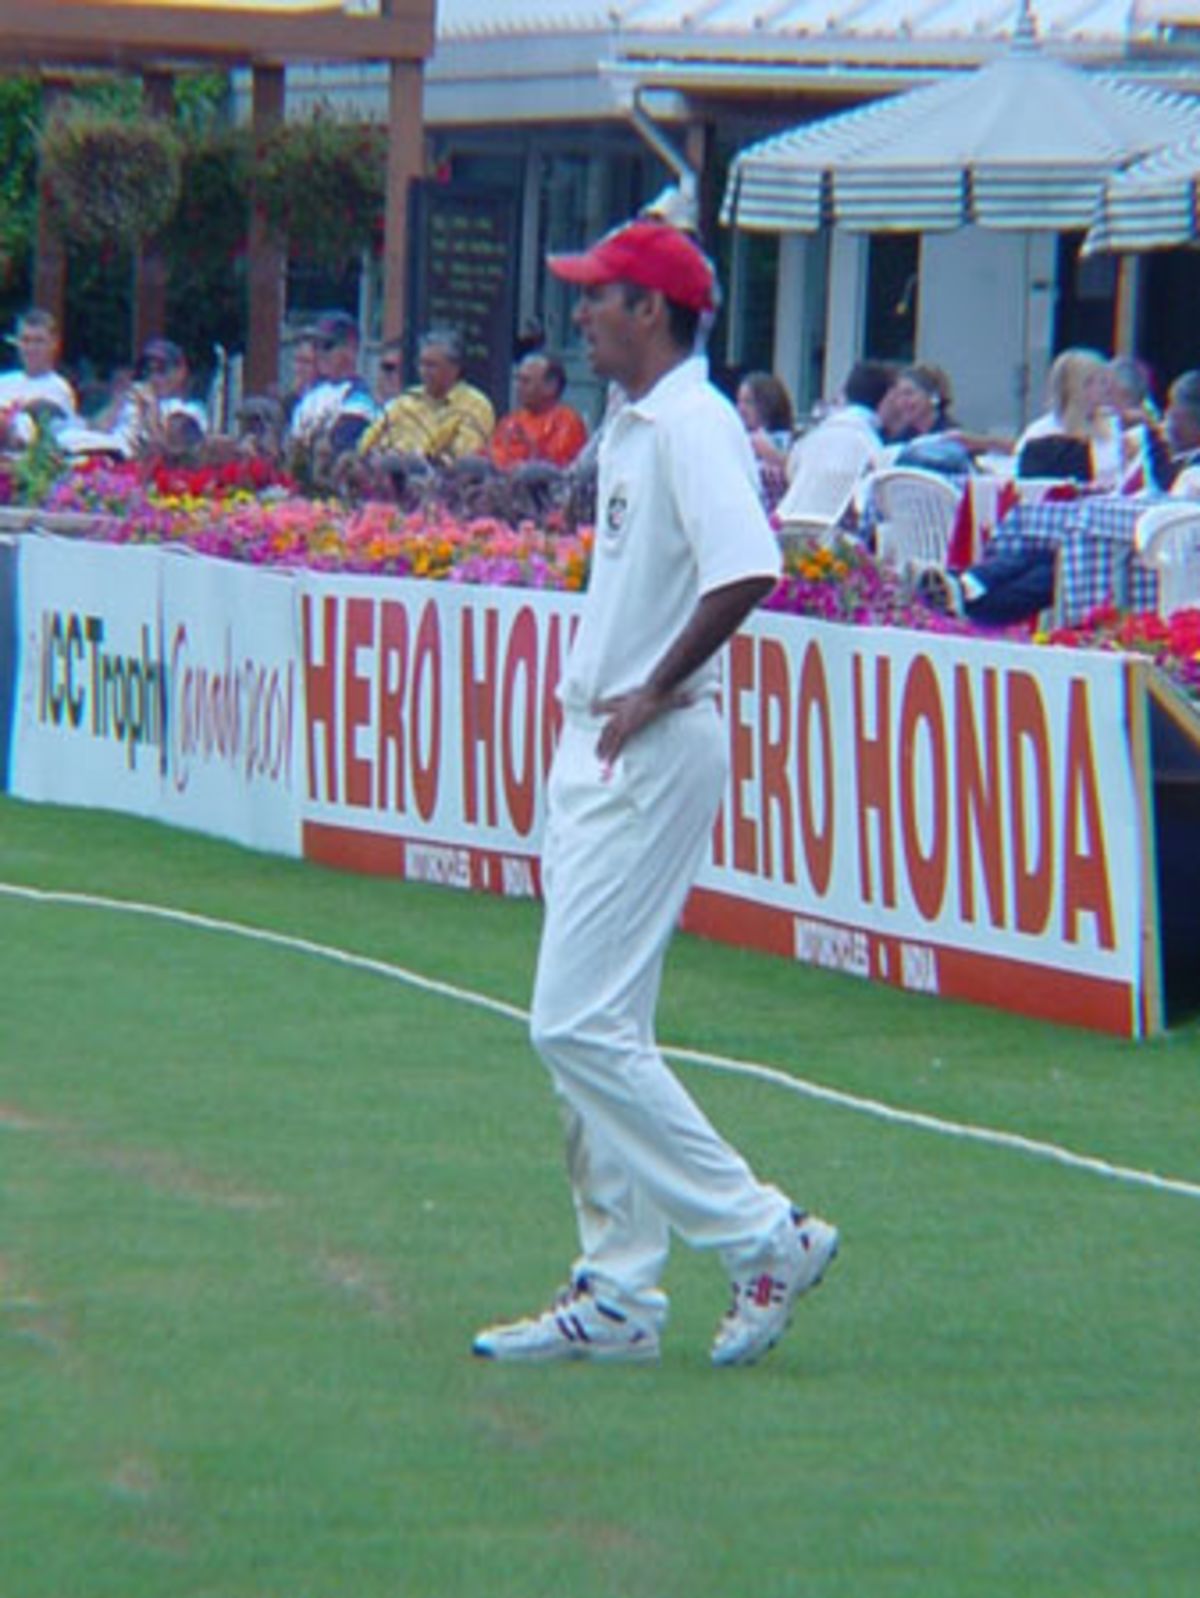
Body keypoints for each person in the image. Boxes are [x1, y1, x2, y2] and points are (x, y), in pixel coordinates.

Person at [472, 218, 839, 1369]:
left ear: (652, 310)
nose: (581, 314)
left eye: (601, 295)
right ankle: (621, 1288)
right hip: (608, 738)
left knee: (573, 1021)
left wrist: (649, 689)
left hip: (651, 739)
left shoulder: (691, 422)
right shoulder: (641, 423)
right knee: (596, 1027)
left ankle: (764, 1233)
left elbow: (750, 568)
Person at [357, 327, 494, 464]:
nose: (423, 371)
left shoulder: (475, 405)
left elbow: (462, 458)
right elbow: (366, 443)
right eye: (421, 364)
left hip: (436, 475)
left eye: (431, 366)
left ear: (455, 369)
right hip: (387, 470)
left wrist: (417, 460)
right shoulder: (407, 399)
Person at [1014, 348, 1122, 487]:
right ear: (1080, 387)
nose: (1108, 389)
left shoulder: (1112, 426)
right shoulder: (1040, 433)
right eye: (1102, 382)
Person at [288, 311, 378, 455]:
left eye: (327, 346)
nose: (320, 353)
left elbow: (342, 444)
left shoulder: (359, 396)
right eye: (316, 346)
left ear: (351, 349)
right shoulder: (311, 394)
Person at [489, 352, 588, 469]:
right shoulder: (510, 420)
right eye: (517, 380)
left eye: (526, 381)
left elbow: (553, 466)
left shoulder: (567, 422)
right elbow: (491, 455)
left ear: (551, 386)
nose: (518, 387)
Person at [0, 309, 78, 447]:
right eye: (25, 340)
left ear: (54, 344)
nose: (31, 348)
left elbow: (36, 440)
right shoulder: (4, 382)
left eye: (39, 341)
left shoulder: (58, 389)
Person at [735, 370, 795, 508]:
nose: (741, 409)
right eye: (739, 401)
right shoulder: (738, 440)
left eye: (748, 402)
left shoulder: (790, 445)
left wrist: (772, 454)